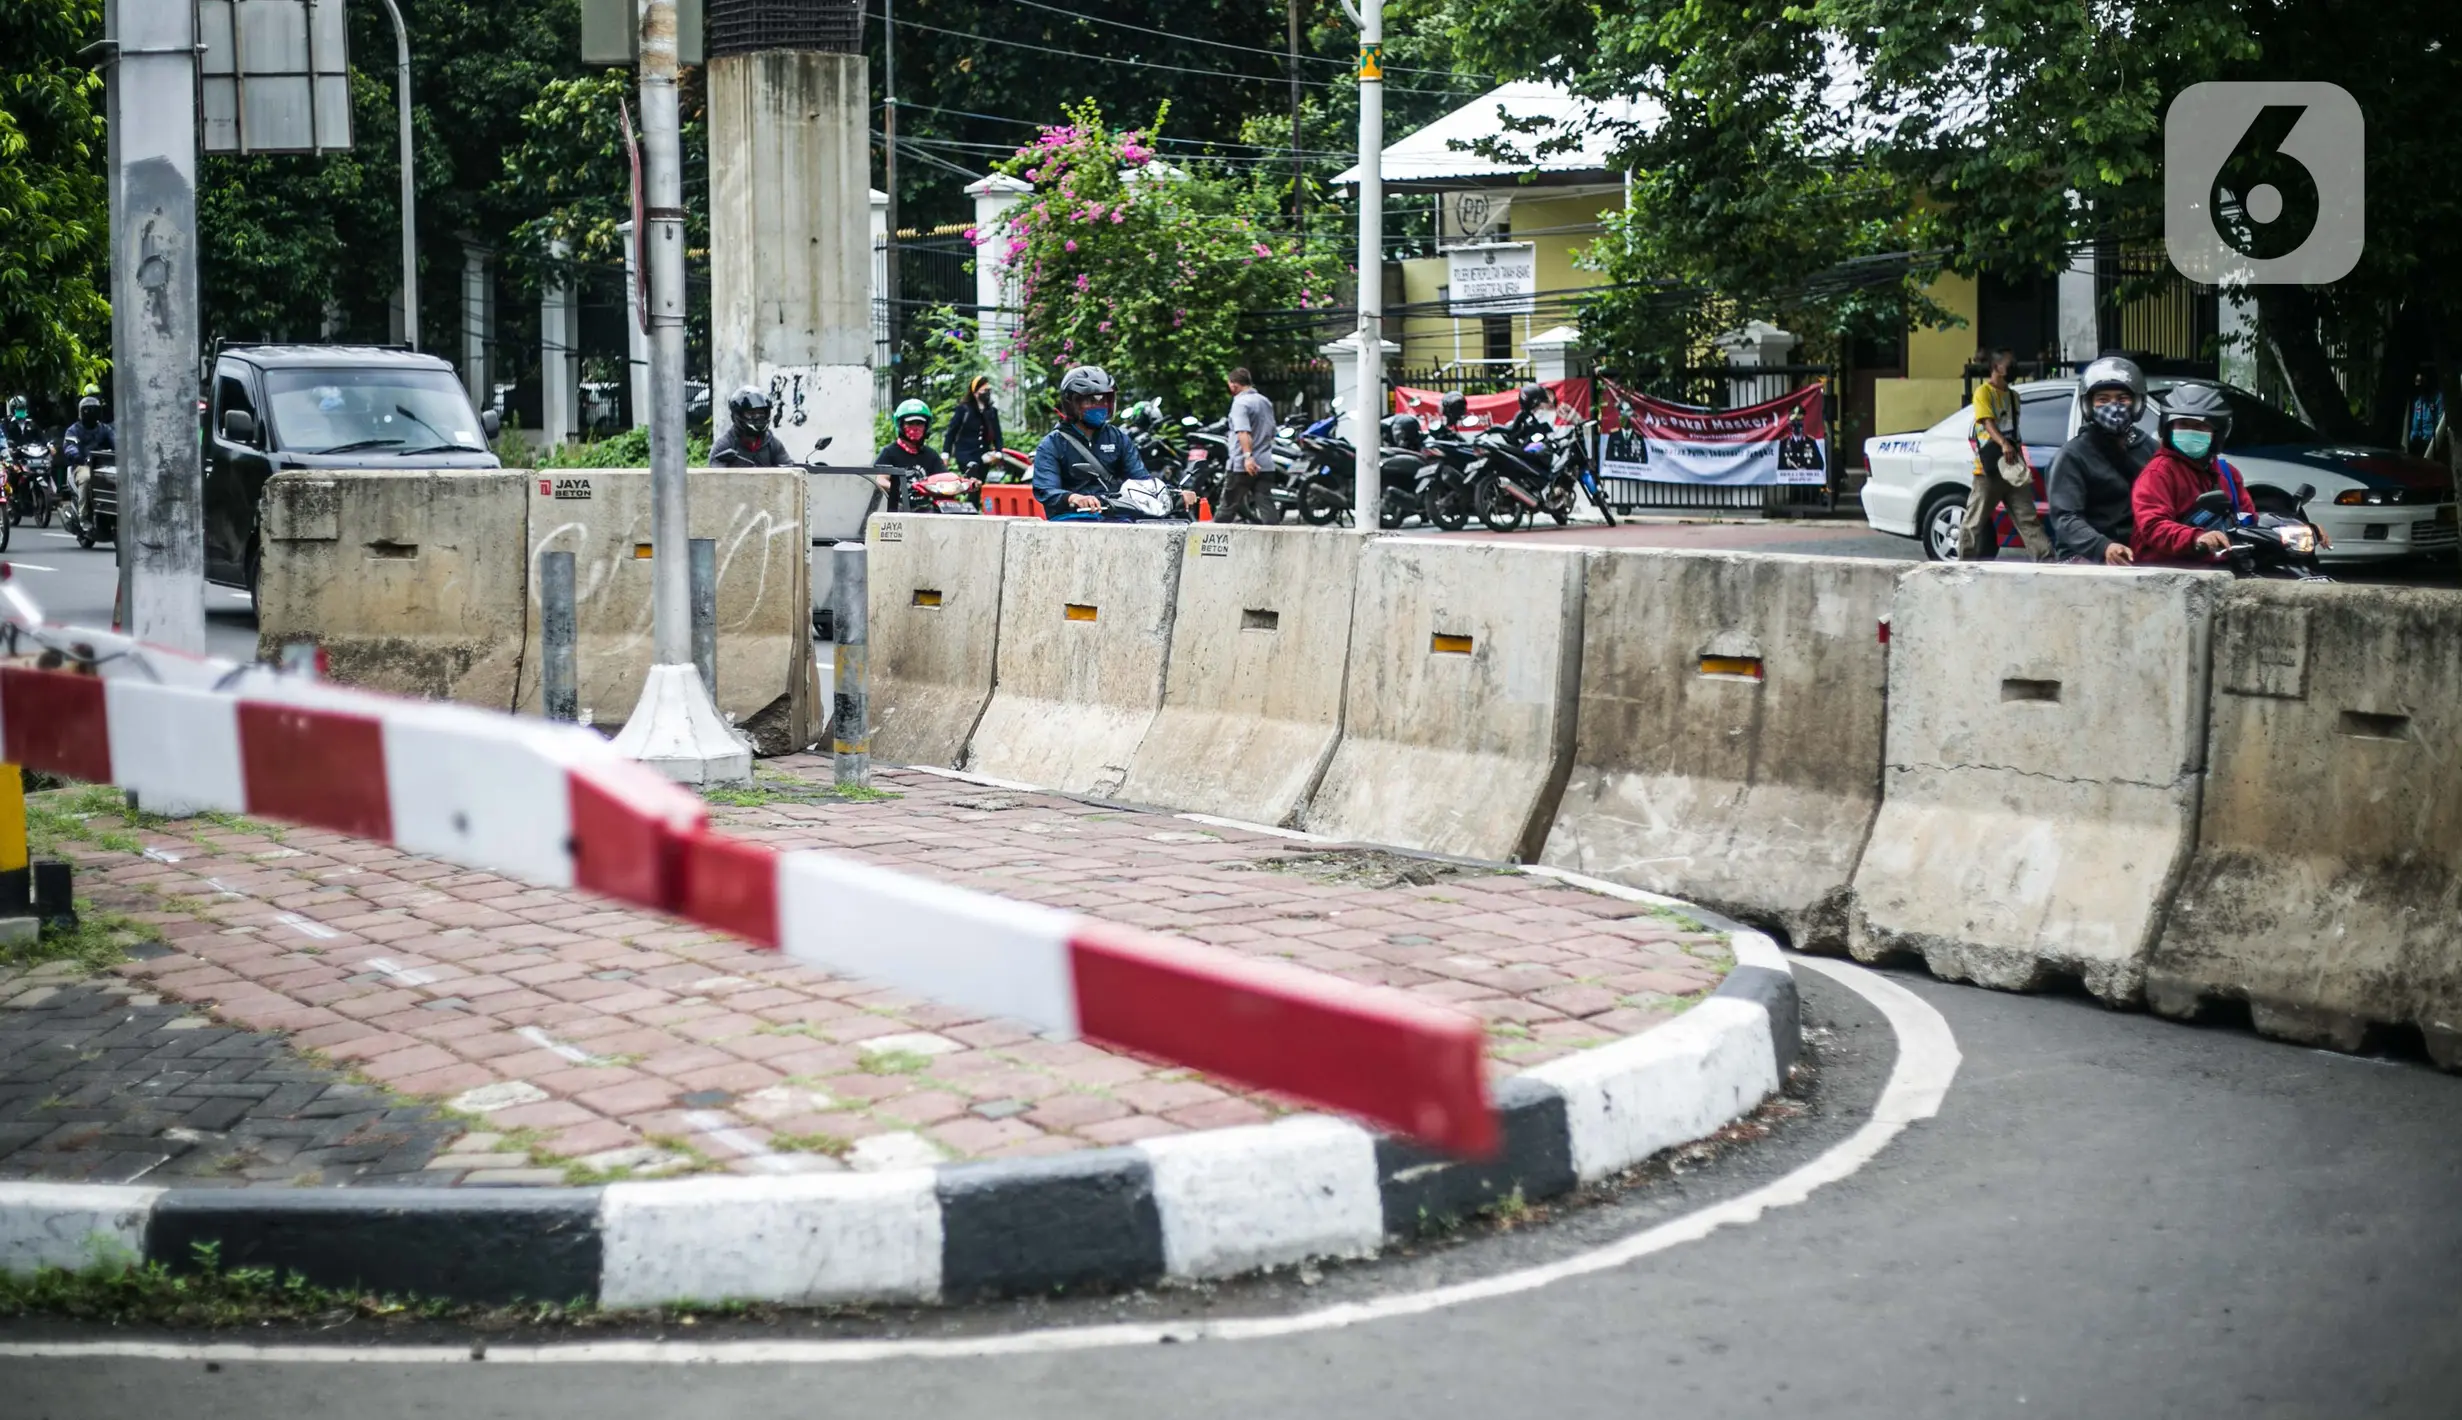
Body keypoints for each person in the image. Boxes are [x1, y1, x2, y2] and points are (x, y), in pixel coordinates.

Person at [1030, 365, 1196, 519]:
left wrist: (1173, 494)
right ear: (1071, 403)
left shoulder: (1117, 438)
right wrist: (1074, 498)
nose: (1099, 405)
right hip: (1073, 521)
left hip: (1117, 519)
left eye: (1104, 399)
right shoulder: (1052, 444)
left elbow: (1141, 480)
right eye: (1091, 400)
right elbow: (1046, 490)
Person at [2131, 382, 2256, 566]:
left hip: (2220, 568)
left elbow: (2249, 519)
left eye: (2200, 426)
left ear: (2217, 433)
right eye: (2183, 424)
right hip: (2165, 573)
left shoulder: (2228, 474)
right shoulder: (2158, 472)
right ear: (2168, 428)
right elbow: (2153, 526)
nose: (2190, 431)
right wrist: (2196, 538)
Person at [2047, 356, 2156, 565]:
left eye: (2123, 398)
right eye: (2103, 400)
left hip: (2138, 551)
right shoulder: (2072, 455)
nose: (2113, 407)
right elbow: (2066, 518)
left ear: (2137, 403)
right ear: (2089, 405)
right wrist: (2103, 546)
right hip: (2086, 554)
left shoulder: (2150, 449)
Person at [1959, 348, 2050, 561]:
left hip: (2012, 467)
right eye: (2010, 364)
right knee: (1974, 520)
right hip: (1988, 469)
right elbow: (1987, 421)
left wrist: (2015, 452)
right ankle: (1963, 565)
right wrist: (2003, 444)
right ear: (1997, 367)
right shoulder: (1983, 392)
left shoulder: (2013, 396)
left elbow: (2014, 429)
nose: (2014, 368)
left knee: (2027, 518)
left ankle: (2046, 561)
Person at [1221, 367, 1277, 524]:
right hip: (1265, 463)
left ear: (1233, 385)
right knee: (1266, 505)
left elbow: (1243, 432)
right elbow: (1272, 432)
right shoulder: (1265, 401)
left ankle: (1212, 544)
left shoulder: (1240, 403)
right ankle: (1275, 542)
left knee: (1228, 507)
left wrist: (1248, 457)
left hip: (1243, 465)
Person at [710, 385, 788, 467]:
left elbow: (790, 471)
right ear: (737, 416)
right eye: (751, 413)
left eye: (761, 413)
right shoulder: (723, 446)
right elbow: (716, 476)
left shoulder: (773, 444)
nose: (758, 417)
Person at [942, 375, 1004, 470]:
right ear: (975, 393)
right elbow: (951, 432)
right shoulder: (963, 410)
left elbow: (997, 434)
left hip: (984, 457)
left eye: (988, 390)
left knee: (980, 482)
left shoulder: (991, 411)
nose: (987, 393)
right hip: (965, 455)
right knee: (972, 478)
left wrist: (998, 452)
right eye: (984, 390)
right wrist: (946, 454)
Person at [876, 398, 947, 479]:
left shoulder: (931, 455)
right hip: (896, 492)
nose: (915, 428)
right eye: (910, 423)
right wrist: (900, 488)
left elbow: (944, 478)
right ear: (900, 425)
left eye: (920, 424)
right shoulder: (889, 452)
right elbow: (881, 480)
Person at [1775, 405, 1824, 472]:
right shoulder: (1784, 443)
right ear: (1790, 425)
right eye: (1795, 423)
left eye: (1800, 422)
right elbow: (1780, 467)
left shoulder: (1810, 442)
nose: (1798, 426)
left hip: (1808, 480)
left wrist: (1806, 470)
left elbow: (1820, 465)